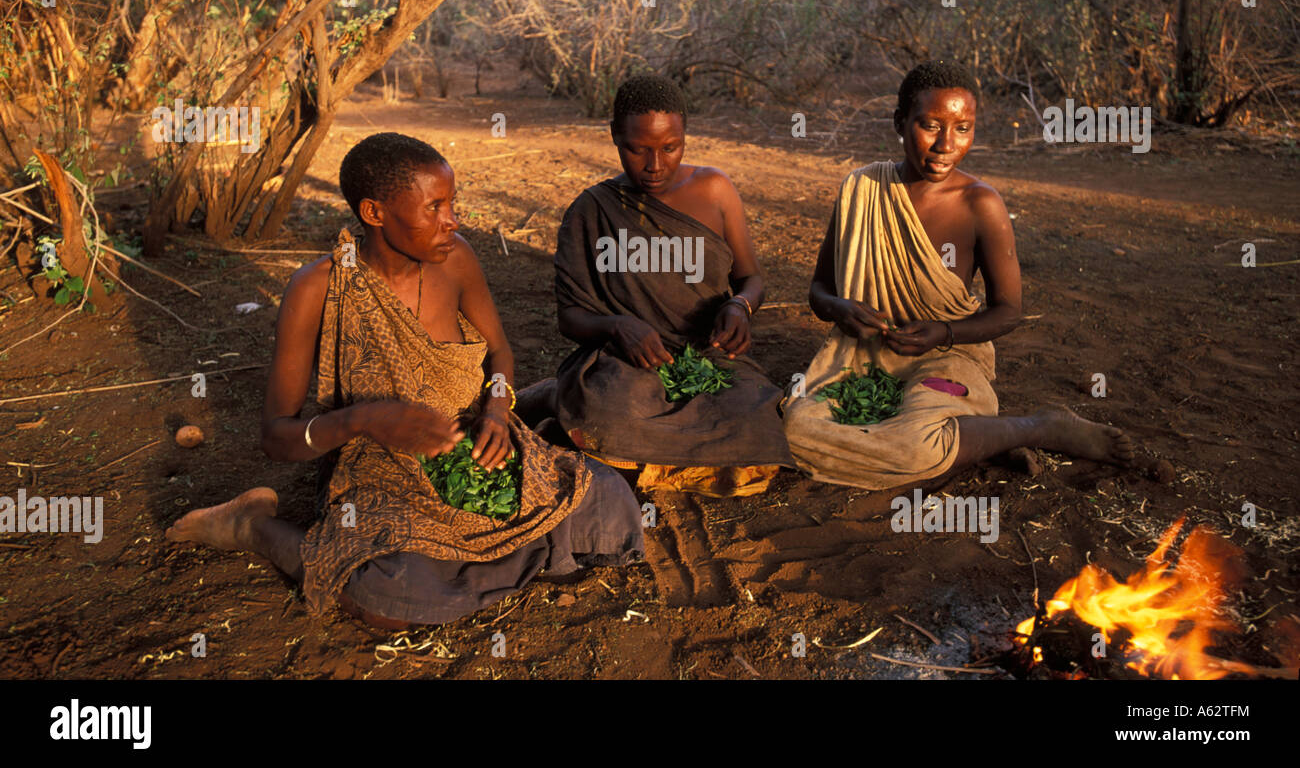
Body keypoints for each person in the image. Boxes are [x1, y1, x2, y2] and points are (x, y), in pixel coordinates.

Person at [166, 133, 643, 629]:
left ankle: (489, 561)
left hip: (475, 440)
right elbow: (277, 436)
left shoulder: (455, 258)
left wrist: (498, 410)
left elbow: (500, 352)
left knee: (607, 503)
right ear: (375, 213)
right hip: (382, 470)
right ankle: (252, 526)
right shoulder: (317, 290)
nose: (452, 220)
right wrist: (363, 420)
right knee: (393, 595)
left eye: (451, 203)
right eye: (434, 207)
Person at [783, 60, 1134, 489]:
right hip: (863, 357)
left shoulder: (980, 204)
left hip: (948, 356)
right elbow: (819, 290)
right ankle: (981, 441)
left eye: (963, 129)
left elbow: (1008, 311)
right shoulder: (862, 189)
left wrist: (943, 333)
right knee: (796, 427)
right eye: (931, 125)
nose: (946, 144)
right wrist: (840, 309)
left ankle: (1039, 427)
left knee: (917, 443)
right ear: (900, 122)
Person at [526, 72, 792, 497]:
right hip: (628, 362)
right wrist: (616, 326)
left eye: (670, 148)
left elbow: (750, 278)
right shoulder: (591, 211)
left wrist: (739, 307)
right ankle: (567, 410)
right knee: (611, 413)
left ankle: (571, 417)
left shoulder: (715, 190)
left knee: (758, 422)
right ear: (614, 137)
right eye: (638, 150)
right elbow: (570, 317)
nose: (655, 165)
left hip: (709, 357)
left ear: (685, 136)